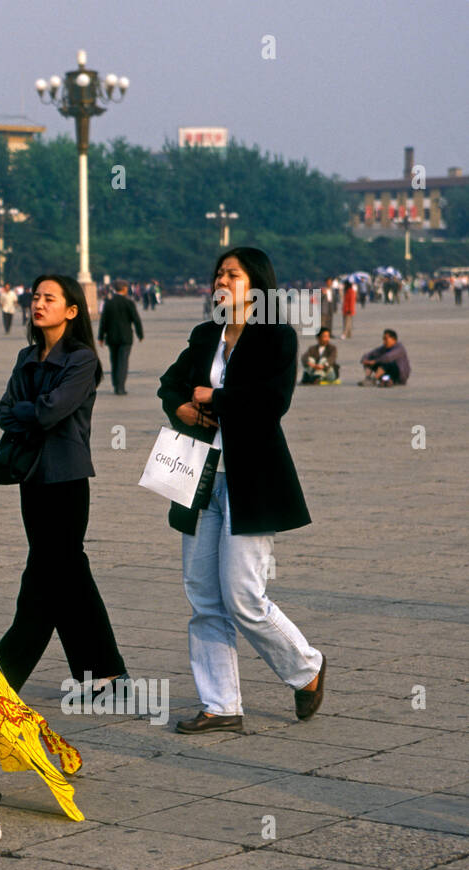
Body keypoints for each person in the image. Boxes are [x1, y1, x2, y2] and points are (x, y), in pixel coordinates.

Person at [157, 246, 325, 734]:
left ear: (256, 284)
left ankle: (306, 669)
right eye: (218, 273)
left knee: (244, 596)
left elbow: (273, 402)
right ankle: (221, 704)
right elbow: (170, 386)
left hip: (254, 480)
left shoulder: (276, 337)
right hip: (202, 477)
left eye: (231, 273)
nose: (221, 280)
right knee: (202, 595)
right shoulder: (205, 334)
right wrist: (181, 409)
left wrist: (215, 398)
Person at [0, 274, 128, 696]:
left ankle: (2, 673)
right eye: (35, 296)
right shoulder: (25, 356)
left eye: (49, 298)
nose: (38, 304)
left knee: (46, 574)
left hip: (67, 478)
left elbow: (52, 412)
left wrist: (28, 410)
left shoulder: (82, 359)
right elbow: (3, 411)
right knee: (68, 572)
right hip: (32, 476)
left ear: (71, 310)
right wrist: (31, 410)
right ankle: (105, 672)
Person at [97, 280, 145, 395]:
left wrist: (101, 336)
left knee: (114, 361)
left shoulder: (108, 302)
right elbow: (136, 320)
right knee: (123, 362)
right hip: (125, 337)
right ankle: (120, 387)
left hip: (111, 337)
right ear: (124, 289)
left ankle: (115, 385)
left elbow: (103, 321)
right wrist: (140, 334)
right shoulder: (128, 302)